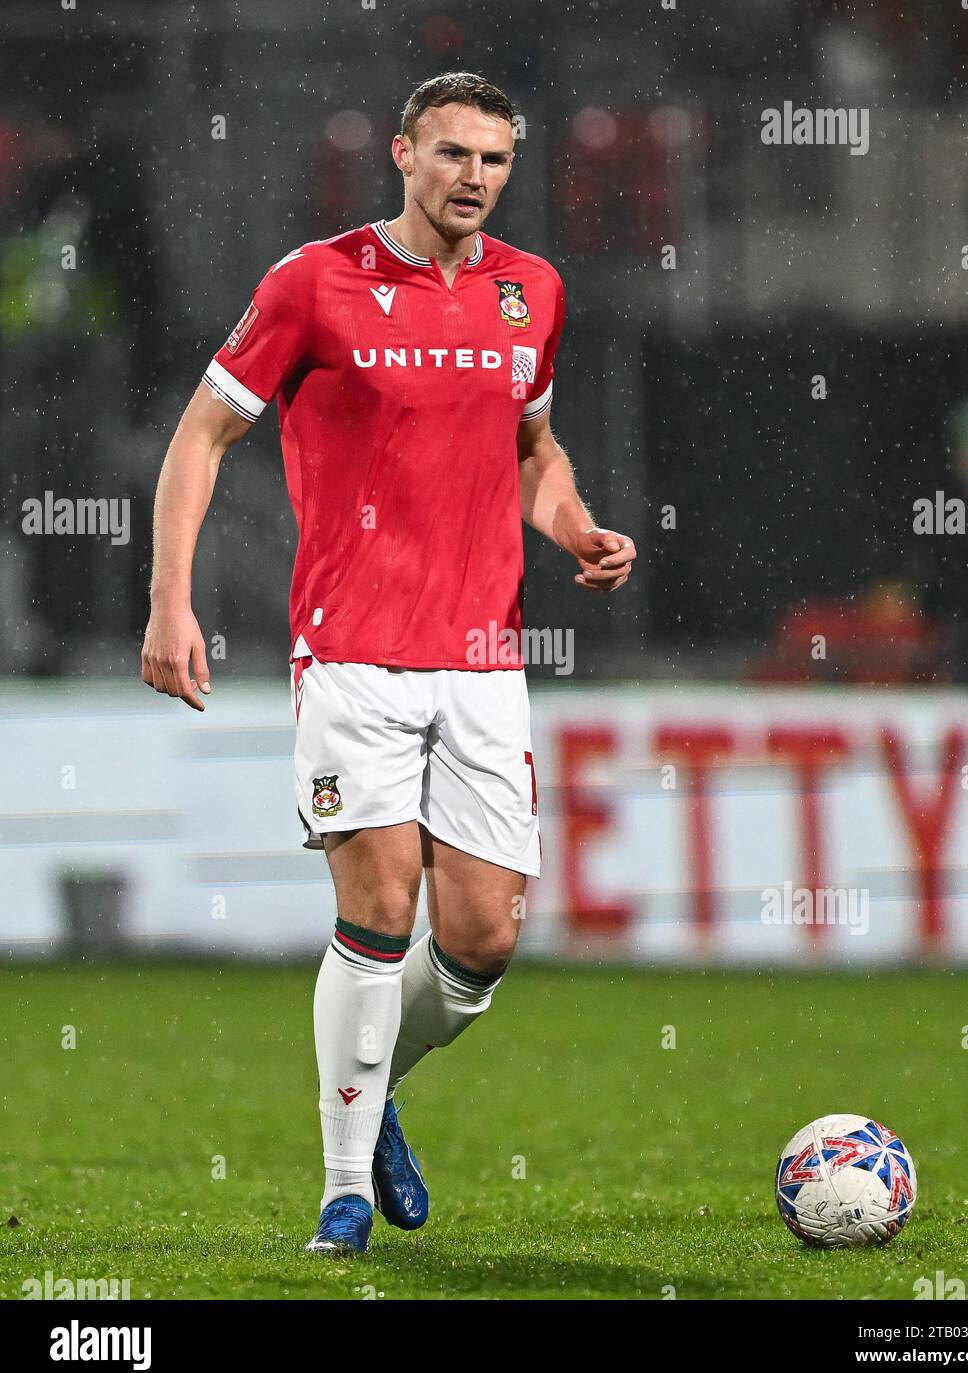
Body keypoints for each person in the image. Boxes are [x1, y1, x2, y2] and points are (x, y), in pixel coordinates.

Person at [141, 71, 637, 1255]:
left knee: (479, 944)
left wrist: (571, 524)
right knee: (378, 909)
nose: (474, 177)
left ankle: (376, 1083)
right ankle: (341, 1191)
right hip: (353, 650)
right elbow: (201, 432)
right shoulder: (314, 283)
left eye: (496, 160)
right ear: (404, 155)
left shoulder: (533, 293)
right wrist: (171, 601)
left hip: (481, 658)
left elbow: (532, 447)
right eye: (454, 153)